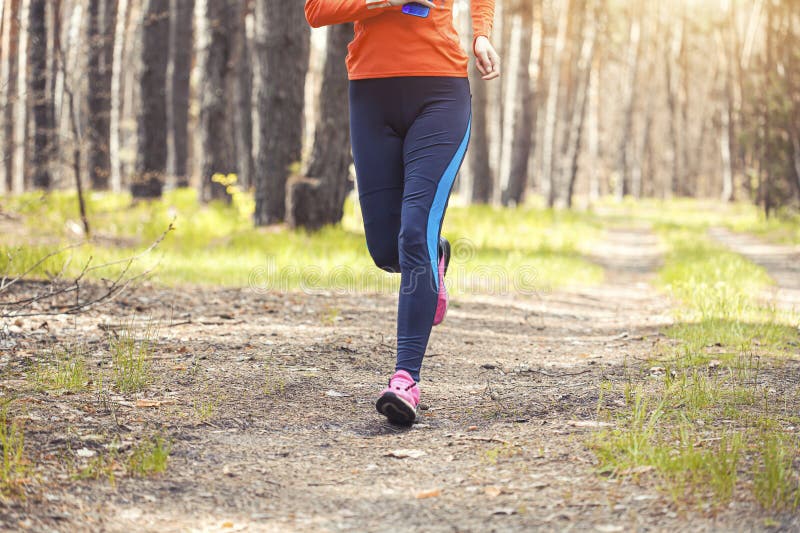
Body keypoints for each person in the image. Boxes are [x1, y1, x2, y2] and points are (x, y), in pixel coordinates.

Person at [304, 0, 500, 425]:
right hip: (371, 93)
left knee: (414, 235)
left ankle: (405, 379)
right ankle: (437, 255)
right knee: (387, 251)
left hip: (441, 92)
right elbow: (316, 11)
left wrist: (481, 32)